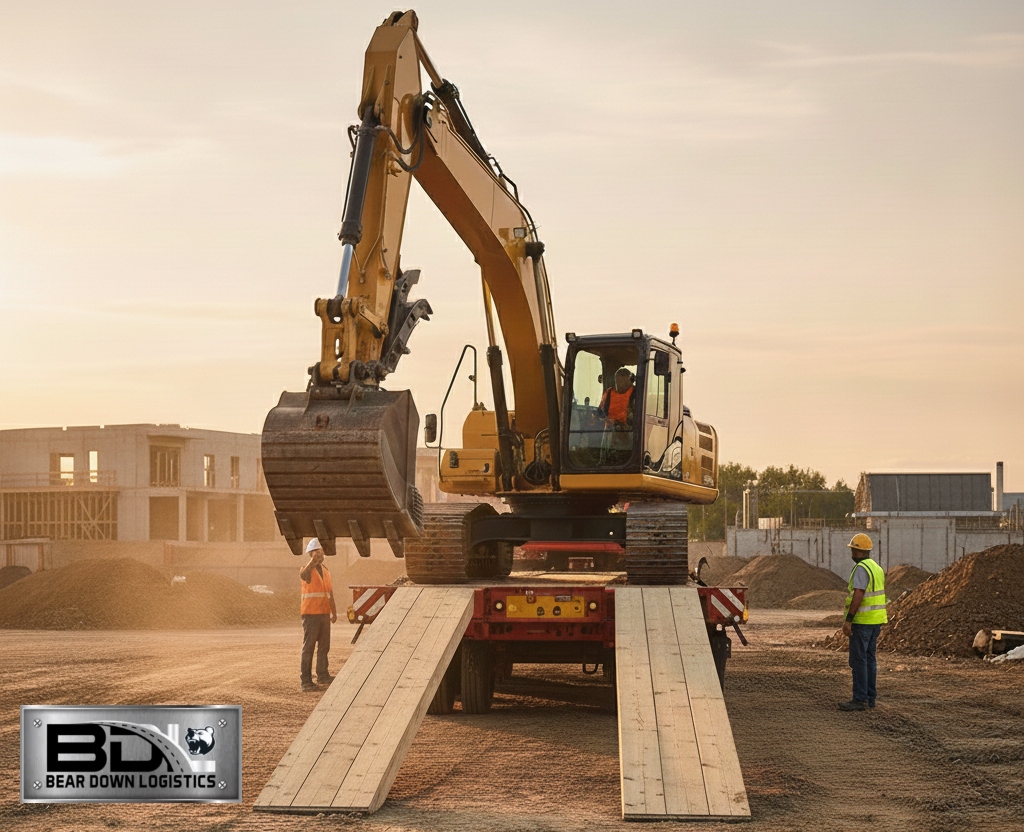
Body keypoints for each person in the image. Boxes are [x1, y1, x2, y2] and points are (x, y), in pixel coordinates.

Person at [839, 533, 887, 711]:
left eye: (853, 549)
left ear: (858, 551)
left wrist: (848, 620)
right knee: (869, 660)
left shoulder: (861, 568)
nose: (851, 551)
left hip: (862, 622)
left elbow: (859, 594)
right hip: (876, 622)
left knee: (858, 661)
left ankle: (860, 699)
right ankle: (870, 697)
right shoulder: (876, 567)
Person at [299, 537, 337, 692]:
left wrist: (334, 612)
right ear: (311, 554)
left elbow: (330, 592)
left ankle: (322, 675)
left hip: (323, 614)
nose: (321, 555)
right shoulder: (306, 570)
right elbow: (303, 574)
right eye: (317, 552)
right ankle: (306, 681)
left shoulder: (326, 571)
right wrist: (313, 561)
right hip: (311, 615)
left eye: (322, 552)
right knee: (308, 648)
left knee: (324, 647)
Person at [597, 367, 635, 462]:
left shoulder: (636, 393)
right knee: (605, 458)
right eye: (618, 381)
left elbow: (636, 416)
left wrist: (619, 423)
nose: (620, 384)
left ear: (629, 381)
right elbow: (600, 411)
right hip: (610, 430)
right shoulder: (609, 393)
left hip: (629, 433)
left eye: (623, 381)